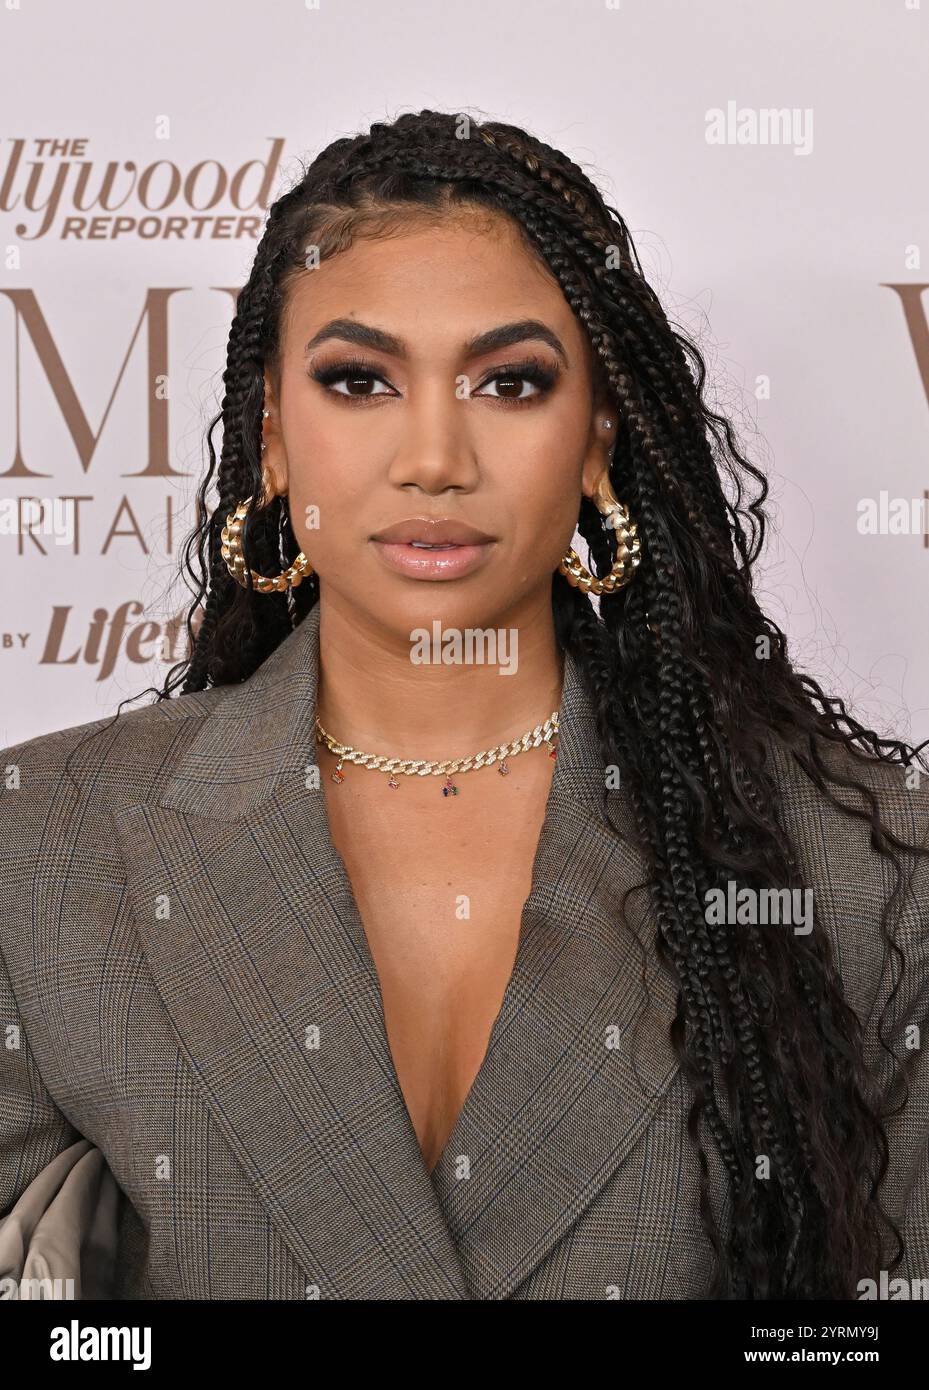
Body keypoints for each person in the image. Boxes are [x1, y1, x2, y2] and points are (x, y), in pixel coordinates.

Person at [1, 108, 927, 1301]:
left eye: (508, 381)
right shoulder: (42, 851)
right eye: (358, 380)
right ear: (272, 436)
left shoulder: (861, 870)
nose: (433, 455)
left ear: (596, 436)